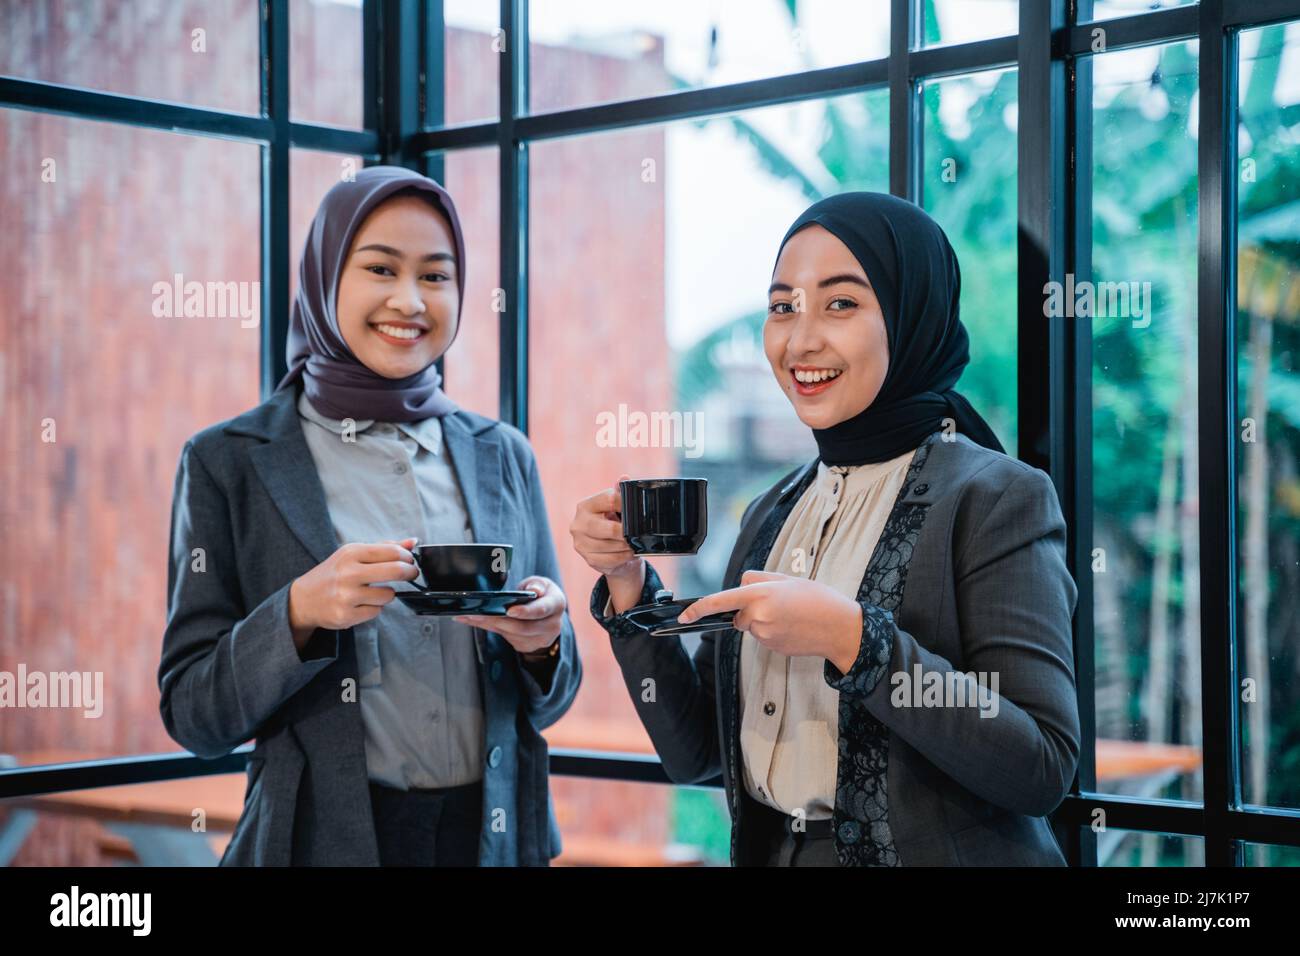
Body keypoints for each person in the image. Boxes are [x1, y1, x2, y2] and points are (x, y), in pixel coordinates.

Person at [570, 192, 1080, 866]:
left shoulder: (995, 497)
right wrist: (627, 580)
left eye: (841, 303)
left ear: (910, 318)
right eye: (783, 306)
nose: (800, 339)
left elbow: (1040, 766)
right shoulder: (771, 511)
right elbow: (696, 753)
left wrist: (854, 641)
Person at [159, 165, 580, 866]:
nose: (410, 301)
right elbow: (194, 714)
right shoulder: (228, 461)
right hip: (318, 845)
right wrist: (298, 610)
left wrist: (543, 644)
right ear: (325, 279)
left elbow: (551, 700)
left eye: (437, 276)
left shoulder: (503, 454)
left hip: (493, 843)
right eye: (381, 268)